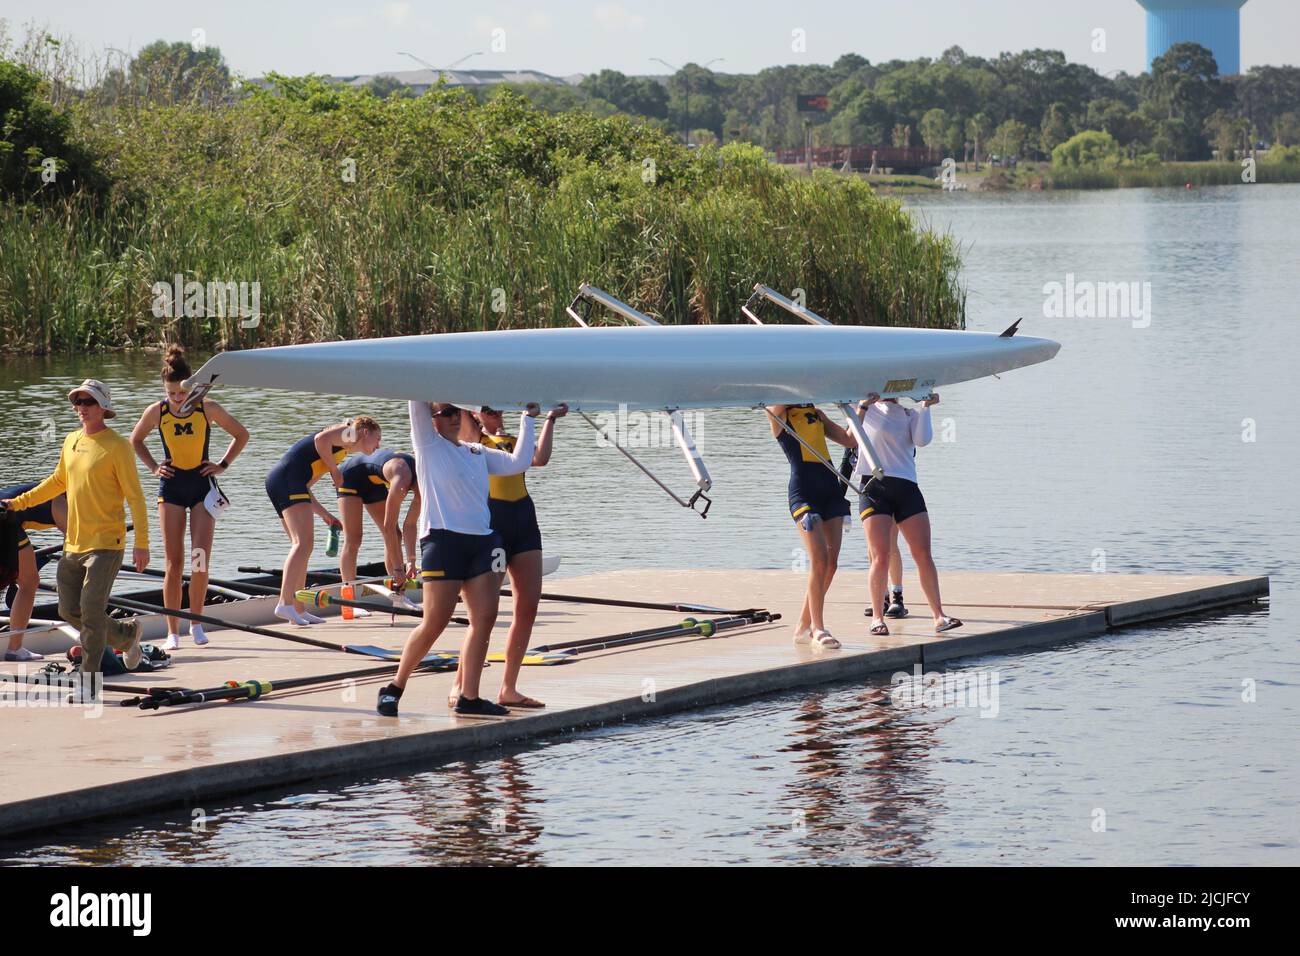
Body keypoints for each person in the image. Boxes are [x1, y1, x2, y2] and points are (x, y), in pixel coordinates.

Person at [376, 401, 539, 718]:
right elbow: (416, 396)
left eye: (455, 413)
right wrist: (466, 398)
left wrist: (528, 418)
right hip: (443, 540)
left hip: (482, 541)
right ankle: (394, 688)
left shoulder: (476, 452)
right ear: (432, 419)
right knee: (434, 623)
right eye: (444, 413)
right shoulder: (427, 446)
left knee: (485, 618)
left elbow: (519, 462)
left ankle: (470, 696)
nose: (450, 418)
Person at [0, 380, 150, 700]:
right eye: (77, 402)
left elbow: (136, 497)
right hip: (75, 545)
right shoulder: (70, 441)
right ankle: (126, 636)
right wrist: (18, 504)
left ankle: (88, 683)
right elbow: (56, 482)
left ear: (103, 408)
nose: (81, 407)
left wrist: (142, 543)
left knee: (91, 612)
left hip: (107, 543)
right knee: (70, 610)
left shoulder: (118, 446)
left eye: (88, 402)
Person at [130, 345, 249, 650]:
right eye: (171, 394)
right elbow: (136, 440)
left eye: (181, 394)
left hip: (201, 486)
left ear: (191, 388)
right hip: (171, 488)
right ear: (164, 391)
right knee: (174, 562)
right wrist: (154, 466)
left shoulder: (207, 407)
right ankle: (172, 631)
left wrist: (222, 465)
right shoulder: (156, 411)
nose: (177, 399)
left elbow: (241, 434)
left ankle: (196, 623)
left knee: (199, 560)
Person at [466, 402, 567, 708]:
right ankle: (463, 686)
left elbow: (539, 458)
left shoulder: (512, 439)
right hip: (492, 523)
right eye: (486, 407)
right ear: (472, 413)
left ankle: (508, 687)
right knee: (484, 613)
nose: (495, 410)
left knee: (528, 607)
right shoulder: (473, 444)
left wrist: (549, 419)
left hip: (523, 520)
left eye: (498, 406)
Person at [848, 393, 961, 636]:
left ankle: (939, 616)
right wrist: (862, 405)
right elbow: (851, 437)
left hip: (907, 488)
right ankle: (877, 618)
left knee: (923, 554)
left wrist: (925, 405)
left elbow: (923, 440)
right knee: (881, 556)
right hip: (874, 488)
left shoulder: (909, 414)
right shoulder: (866, 409)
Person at [265, 418, 381, 625]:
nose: (378, 445)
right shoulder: (351, 432)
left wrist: (324, 514)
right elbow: (321, 438)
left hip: (284, 482)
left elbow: (306, 487)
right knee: (303, 543)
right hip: (287, 480)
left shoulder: (340, 451)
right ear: (365, 432)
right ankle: (284, 602)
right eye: (377, 438)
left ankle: (298, 610)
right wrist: (335, 471)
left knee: (302, 547)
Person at [766, 403, 855, 650]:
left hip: (831, 492)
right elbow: (784, 392)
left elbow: (849, 440)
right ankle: (818, 628)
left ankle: (803, 625)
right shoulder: (778, 413)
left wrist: (860, 411)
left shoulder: (816, 412)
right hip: (803, 493)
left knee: (831, 563)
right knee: (819, 559)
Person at [336, 448, 421, 607]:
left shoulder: (426, 485)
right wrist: (398, 569)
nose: (420, 498)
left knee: (397, 535)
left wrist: (411, 561)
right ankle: (348, 602)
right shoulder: (402, 479)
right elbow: (387, 526)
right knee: (354, 539)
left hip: (373, 481)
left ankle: (398, 596)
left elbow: (410, 524)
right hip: (350, 476)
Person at [0, 482, 67, 661]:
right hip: (5, 519)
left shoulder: (56, 487)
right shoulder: (63, 500)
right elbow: (77, 545)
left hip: (7, 517)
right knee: (29, 582)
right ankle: (14, 648)